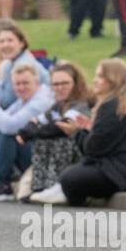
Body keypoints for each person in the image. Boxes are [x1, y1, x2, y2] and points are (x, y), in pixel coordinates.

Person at [31, 59, 126, 205]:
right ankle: (62, 188)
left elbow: (93, 149)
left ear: (113, 80)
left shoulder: (111, 105)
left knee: (70, 177)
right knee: (80, 169)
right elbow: (109, 143)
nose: (95, 80)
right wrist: (88, 130)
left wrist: (77, 132)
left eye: (100, 76)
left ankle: (67, 192)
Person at [0, 59, 54, 199]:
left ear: (37, 83)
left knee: (11, 133)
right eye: (17, 84)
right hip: (33, 153)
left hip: (44, 160)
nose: (21, 87)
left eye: (25, 83)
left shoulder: (41, 100)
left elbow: (9, 127)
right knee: (1, 129)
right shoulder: (23, 100)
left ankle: (0, 183)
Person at [16, 61, 92, 195]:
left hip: (85, 151)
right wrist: (25, 132)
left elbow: (60, 126)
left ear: (75, 84)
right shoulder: (59, 104)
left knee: (55, 139)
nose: (60, 88)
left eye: (65, 83)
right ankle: (42, 186)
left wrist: (32, 133)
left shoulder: (82, 103)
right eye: (56, 84)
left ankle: (56, 185)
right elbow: (37, 120)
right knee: (43, 138)